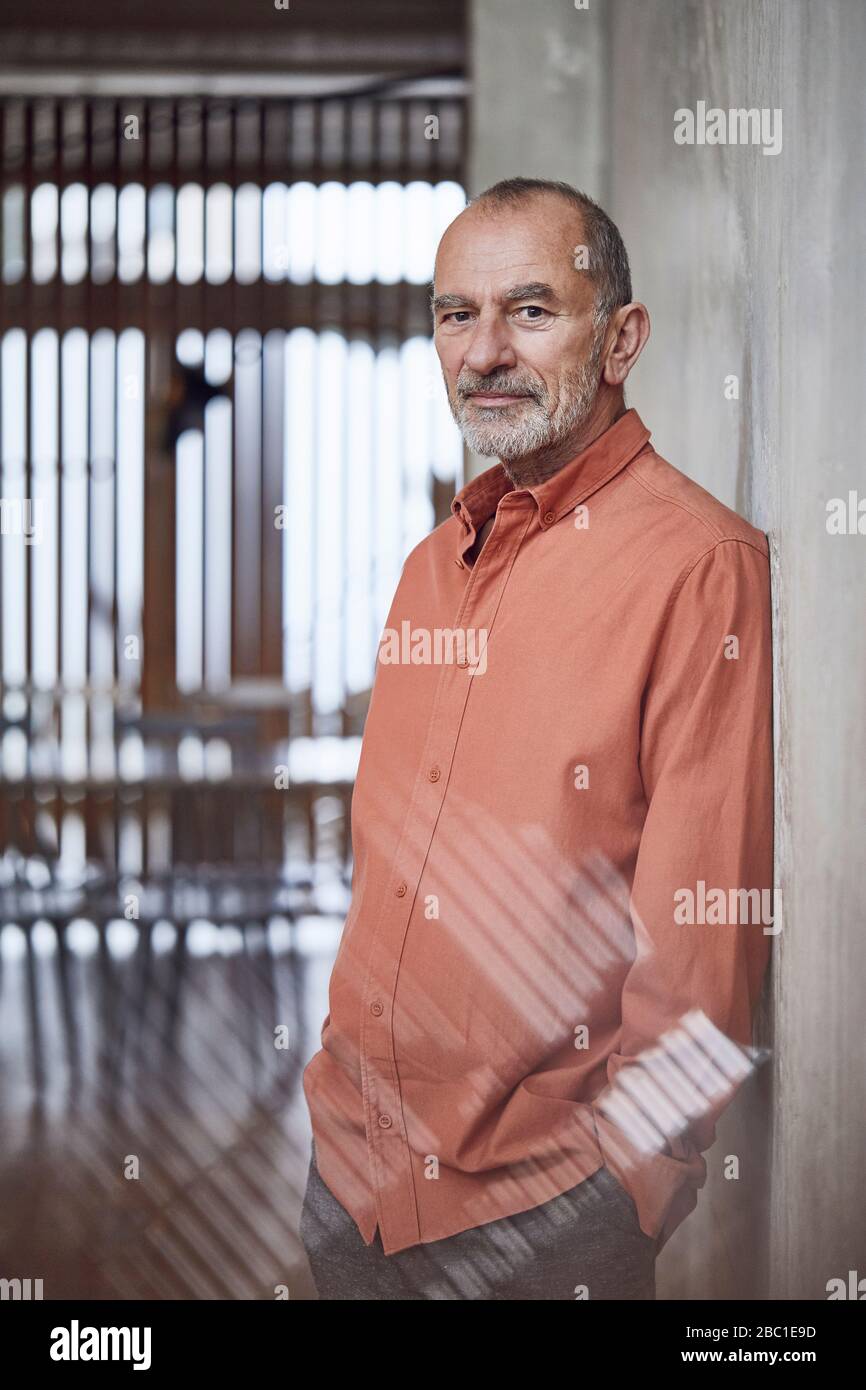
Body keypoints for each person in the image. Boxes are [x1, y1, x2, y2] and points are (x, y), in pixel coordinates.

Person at [299, 177, 774, 1300]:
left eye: (528, 310)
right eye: (453, 314)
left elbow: (705, 944)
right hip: (348, 1184)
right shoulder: (430, 566)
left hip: (538, 1217)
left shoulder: (697, 565)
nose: (482, 353)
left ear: (621, 339)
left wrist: (630, 1185)